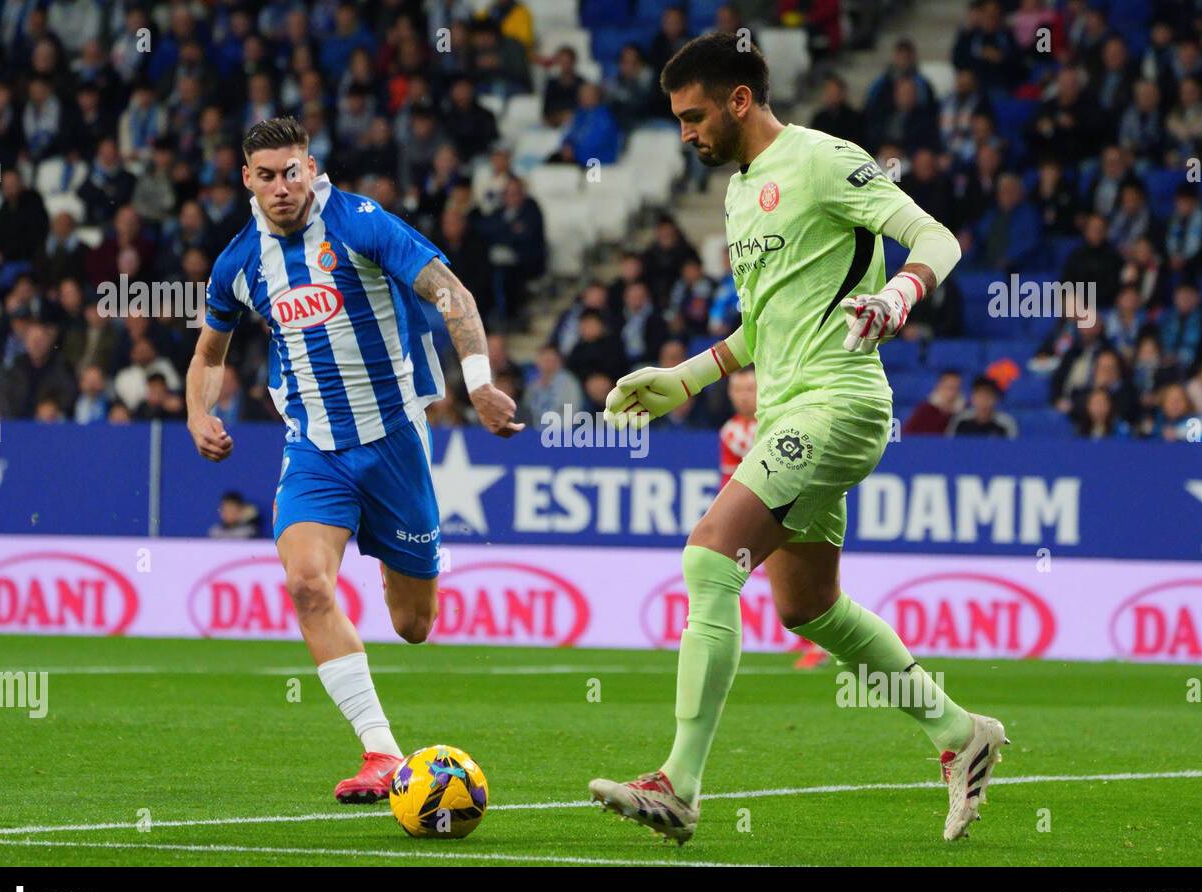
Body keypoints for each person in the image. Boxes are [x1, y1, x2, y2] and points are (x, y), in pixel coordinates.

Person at [589, 34, 1005, 845]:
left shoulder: (824, 159)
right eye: (678, 120)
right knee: (807, 606)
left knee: (710, 555)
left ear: (741, 99)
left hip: (840, 402)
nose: (687, 134)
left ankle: (678, 782)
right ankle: (961, 735)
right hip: (788, 412)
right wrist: (687, 377)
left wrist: (898, 293)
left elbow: (938, 239)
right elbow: (763, 325)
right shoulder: (742, 193)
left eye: (696, 115)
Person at [188, 117, 520, 805]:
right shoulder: (239, 263)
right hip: (313, 448)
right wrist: (198, 410)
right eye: (266, 176)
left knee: (413, 626)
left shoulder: (362, 223)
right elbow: (208, 354)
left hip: (395, 440)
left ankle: (389, 560)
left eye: (292, 172)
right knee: (307, 584)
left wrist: (480, 381)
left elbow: (450, 293)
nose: (281, 187)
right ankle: (381, 752)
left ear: (310, 168)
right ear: (246, 179)